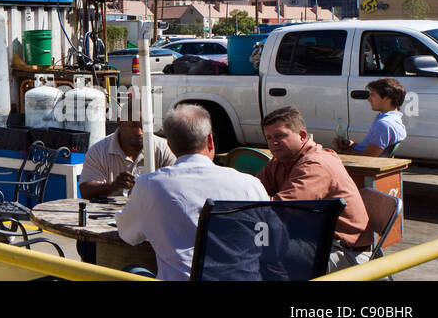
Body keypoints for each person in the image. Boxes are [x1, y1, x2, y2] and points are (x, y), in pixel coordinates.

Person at [116, 104, 268, 280]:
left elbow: (127, 234)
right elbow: (266, 241)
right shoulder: (251, 185)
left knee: (131, 271)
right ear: (210, 141)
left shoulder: (150, 186)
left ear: (170, 146)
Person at [259, 106, 371, 268]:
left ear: (302, 136)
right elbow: (253, 190)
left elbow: (280, 209)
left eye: (280, 136)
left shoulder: (315, 164)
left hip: (342, 250)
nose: (273, 143)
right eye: (268, 137)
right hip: (311, 237)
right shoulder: (279, 161)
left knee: (259, 253)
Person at [77, 114, 178, 264]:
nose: (140, 131)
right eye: (133, 125)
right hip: (109, 223)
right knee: (87, 244)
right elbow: (85, 189)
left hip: (153, 224)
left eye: (144, 125)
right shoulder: (99, 150)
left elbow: (178, 183)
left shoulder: (163, 148)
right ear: (120, 122)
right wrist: (113, 186)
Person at [334, 78, 407, 158]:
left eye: (373, 95)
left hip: (362, 166)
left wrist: (340, 152)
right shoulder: (394, 119)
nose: (369, 99)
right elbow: (371, 149)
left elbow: (367, 157)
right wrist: (352, 145)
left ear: (387, 98)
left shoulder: (384, 124)